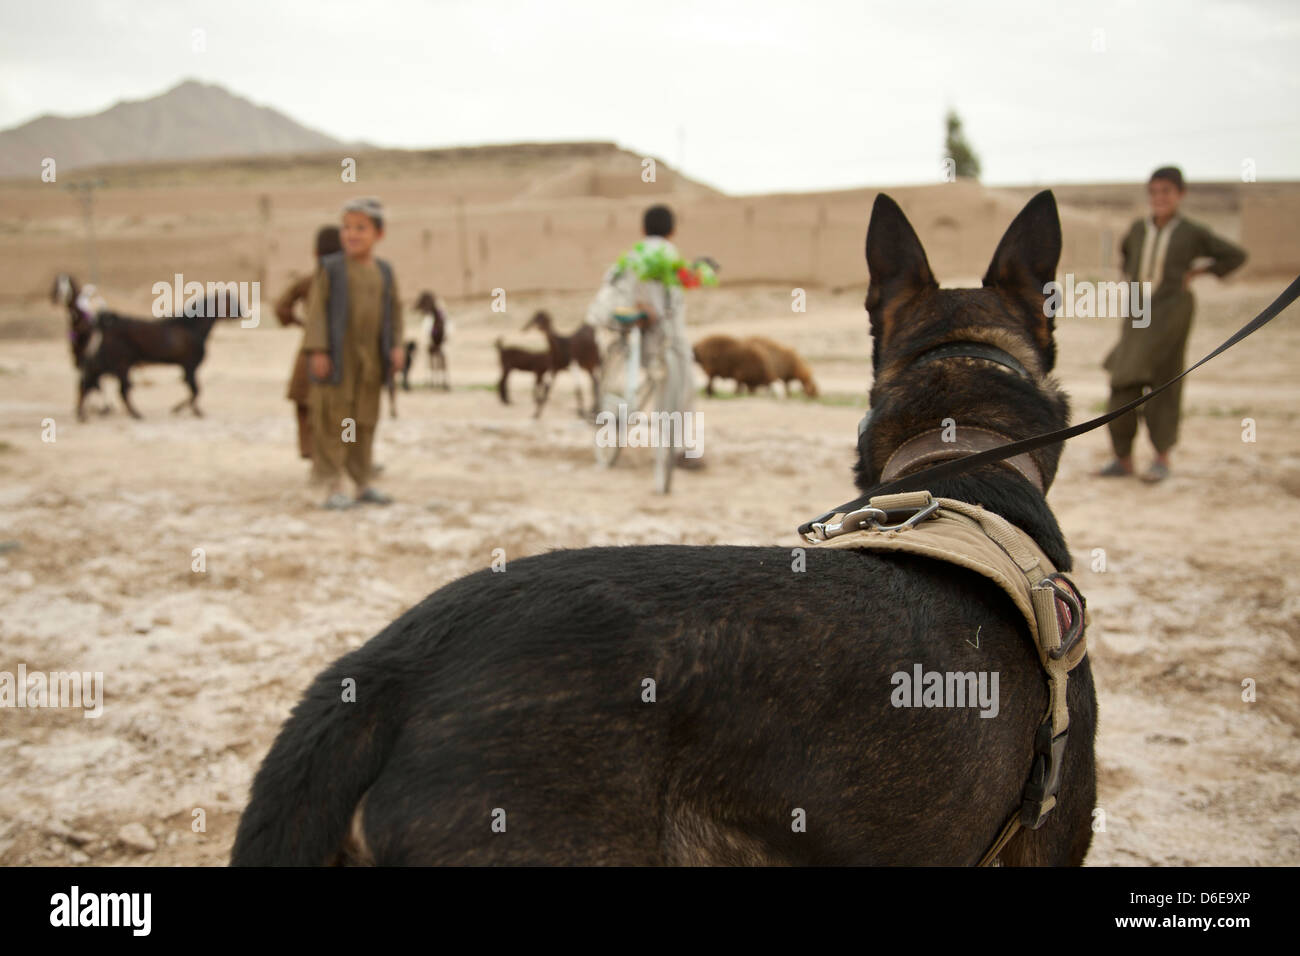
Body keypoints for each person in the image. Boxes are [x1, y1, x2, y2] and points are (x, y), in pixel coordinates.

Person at [1099, 167, 1247, 483]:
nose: (1159, 198)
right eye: (1154, 192)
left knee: (1164, 381)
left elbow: (1235, 256)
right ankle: (1122, 459)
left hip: (1172, 311)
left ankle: (1161, 458)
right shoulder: (1138, 228)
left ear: (1180, 194)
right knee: (1122, 380)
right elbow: (1127, 256)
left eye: (1166, 191)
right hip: (1139, 310)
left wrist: (1199, 272)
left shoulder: (1192, 232)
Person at [302, 197, 404, 509]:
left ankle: (362, 483)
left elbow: (395, 311)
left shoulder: (384, 271)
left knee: (364, 421)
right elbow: (317, 310)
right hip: (338, 361)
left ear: (379, 234)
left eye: (361, 228)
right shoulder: (332, 269)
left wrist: (397, 346)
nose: (352, 234)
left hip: (370, 362)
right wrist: (318, 348)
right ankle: (332, 487)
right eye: (347, 228)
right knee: (335, 420)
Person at [618, 204, 715, 468]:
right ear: (672, 231)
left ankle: (668, 447)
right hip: (669, 336)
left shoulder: (634, 255)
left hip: (642, 335)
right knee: (680, 389)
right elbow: (686, 282)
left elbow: (626, 292)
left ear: (642, 229)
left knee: (664, 389)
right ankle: (678, 450)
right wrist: (705, 272)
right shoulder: (669, 252)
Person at [275, 225, 342, 460]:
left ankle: (311, 452)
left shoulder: (308, 281)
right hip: (341, 354)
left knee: (305, 406)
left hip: (309, 353)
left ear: (316, 253)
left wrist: (298, 323)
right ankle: (347, 454)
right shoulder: (349, 281)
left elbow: (281, 307)